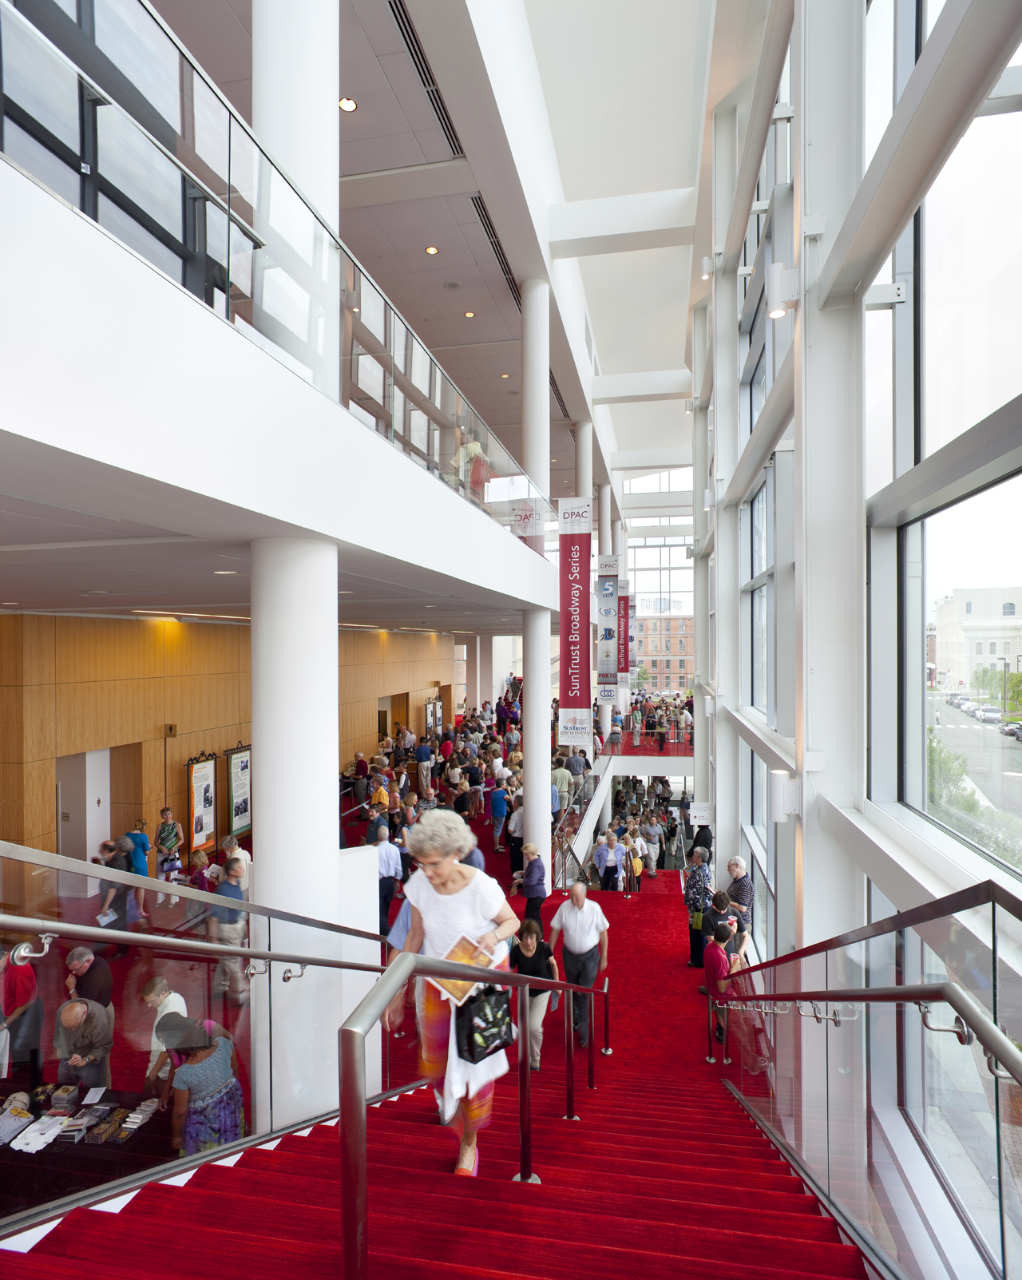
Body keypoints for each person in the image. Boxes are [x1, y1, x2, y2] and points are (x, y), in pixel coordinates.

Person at [382, 810, 520, 1177]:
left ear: (455, 854)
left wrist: (492, 935)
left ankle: (469, 1145)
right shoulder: (419, 885)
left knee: (475, 1071)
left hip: (481, 988)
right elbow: (414, 937)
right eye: (421, 864)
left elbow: (512, 921)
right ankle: (457, 1115)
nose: (427, 872)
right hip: (438, 985)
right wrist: (395, 994)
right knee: (437, 1067)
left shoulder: (482, 887)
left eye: (434, 864)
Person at [156, 1011, 243, 1156]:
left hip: (206, 1124)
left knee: (207, 1158)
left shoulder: (184, 1074)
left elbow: (180, 1112)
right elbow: (234, 1068)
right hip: (230, 1108)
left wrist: (176, 1136)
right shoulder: (223, 1043)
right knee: (231, 1147)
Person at [549, 881, 608, 1048]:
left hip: (590, 957)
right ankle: (576, 1018)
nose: (573, 900)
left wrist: (604, 956)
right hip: (570, 956)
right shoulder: (564, 907)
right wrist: (549, 953)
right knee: (573, 988)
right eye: (571, 896)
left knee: (584, 992)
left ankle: (584, 1031)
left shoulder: (594, 908)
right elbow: (555, 930)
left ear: (585, 895)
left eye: (576, 897)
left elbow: (603, 933)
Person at [509, 918, 558, 1071]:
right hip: (524, 992)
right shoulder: (516, 951)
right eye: (525, 937)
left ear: (537, 937)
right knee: (524, 1026)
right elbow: (510, 970)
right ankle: (526, 1057)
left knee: (534, 1027)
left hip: (542, 991)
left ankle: (535, 1058)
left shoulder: (543, 948)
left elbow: (553, 964)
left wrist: (557, 984)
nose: (529, 942)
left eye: (532, 937)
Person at [0, 942, 43, 1086]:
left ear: (5, 956)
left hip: (25, 1013)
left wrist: (5, 1024)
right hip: (9, 1006)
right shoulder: (5, 966)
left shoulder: (20, 970)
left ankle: (29, 1087)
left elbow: (25, 1003)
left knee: (21, 1050)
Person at [208, 857, 248, 1004]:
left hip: (236, 927)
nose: (242, 870)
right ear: (232, 872)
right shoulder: (223, 890)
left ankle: (220, 986)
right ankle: (240, 989)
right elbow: (214, 915)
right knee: (233, 961)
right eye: (239, 867)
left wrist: (243, 927)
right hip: (226, 929)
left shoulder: (237, 884)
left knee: (228, 958)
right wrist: (213, 938)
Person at [140, 976, 187, 1097]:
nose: (149, 1005)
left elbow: (166, 1050)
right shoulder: (176, 997)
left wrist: (153, 1073)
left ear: (163, 994)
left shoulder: (169, 1013)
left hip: (163, 1074)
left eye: (152, 1001)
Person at [53, 998, 112, 1087]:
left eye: (75, 1026)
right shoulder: (62, 1011)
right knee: (64, 1085)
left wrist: (86, 1060)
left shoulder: (100, 1018)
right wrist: (64, 1053)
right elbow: (59, 1036)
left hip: (90, 1055)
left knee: (92, 1087)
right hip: (68, 1054)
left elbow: (103, 1046)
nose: (73, 1030)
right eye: (69, 1028)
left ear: (84, 1013)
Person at [704, 922, 743, 1042]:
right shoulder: (720, 958)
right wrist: (734, 969)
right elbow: (721, 988)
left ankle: (720, 1026)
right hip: (721, 995)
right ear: (729, 939)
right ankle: (725, 1027)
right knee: (745, 1005)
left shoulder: (709, 946)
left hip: (711, 988)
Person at [65, 946, 114, 1032]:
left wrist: (71, 988)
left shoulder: (93, 980)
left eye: (76, 969)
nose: (74, 973)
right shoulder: (98, 960)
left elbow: (80, 1008)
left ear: (87, 961)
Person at [684, 847, 713, 967]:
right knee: (700, 934)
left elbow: (693, 892)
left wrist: (690, 906)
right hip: (703, 906)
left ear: (699, 858)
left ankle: (698, 960)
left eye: (695, 855)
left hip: (698, 908)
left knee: (696, 934)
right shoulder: (706, 868)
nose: (693, 857)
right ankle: (699, 959)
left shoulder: (698, 872)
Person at [155, 806, 185, 904]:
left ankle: (173, 899)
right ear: (162, 816)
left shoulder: (177, 825)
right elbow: (156, 842)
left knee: (173, 876)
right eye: (165, 815)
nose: (167, 816)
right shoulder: (160, 826)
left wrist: (174, 847)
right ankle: (160, 899)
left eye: (169, 814)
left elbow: (182, 840)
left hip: (173, 853)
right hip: (161, 853)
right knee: (160, 876)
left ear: (172, 814)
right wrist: (161, 847)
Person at [514, 842, 547, 926]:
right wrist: (523, 872)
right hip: (536, 894)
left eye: (526, 854)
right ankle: (537, 933)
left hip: (536, 894)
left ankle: (537, 933)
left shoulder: (535, 864)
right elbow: (533, 874)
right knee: (533, 916)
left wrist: (519, 881)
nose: (526, 857)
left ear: (531, 853)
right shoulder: (534, 862)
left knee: (532, 917)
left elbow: (532, 881)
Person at [124, 818, 151, 918]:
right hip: (140, 864)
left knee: (128, 888)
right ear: (143, 827)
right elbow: (146, 852)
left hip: (129, 863)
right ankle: (140, 910)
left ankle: (126, 908)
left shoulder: (127, 835)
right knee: (140, 888)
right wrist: (149, 847)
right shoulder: (143, 836)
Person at [727, 855, 754, 930]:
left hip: (741, 924)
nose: (728, 870)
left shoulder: (745, 884)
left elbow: (742, 908)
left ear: (737, 866)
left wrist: (725, 901)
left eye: (729, 867)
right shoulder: (737, 881)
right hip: (735, 922)